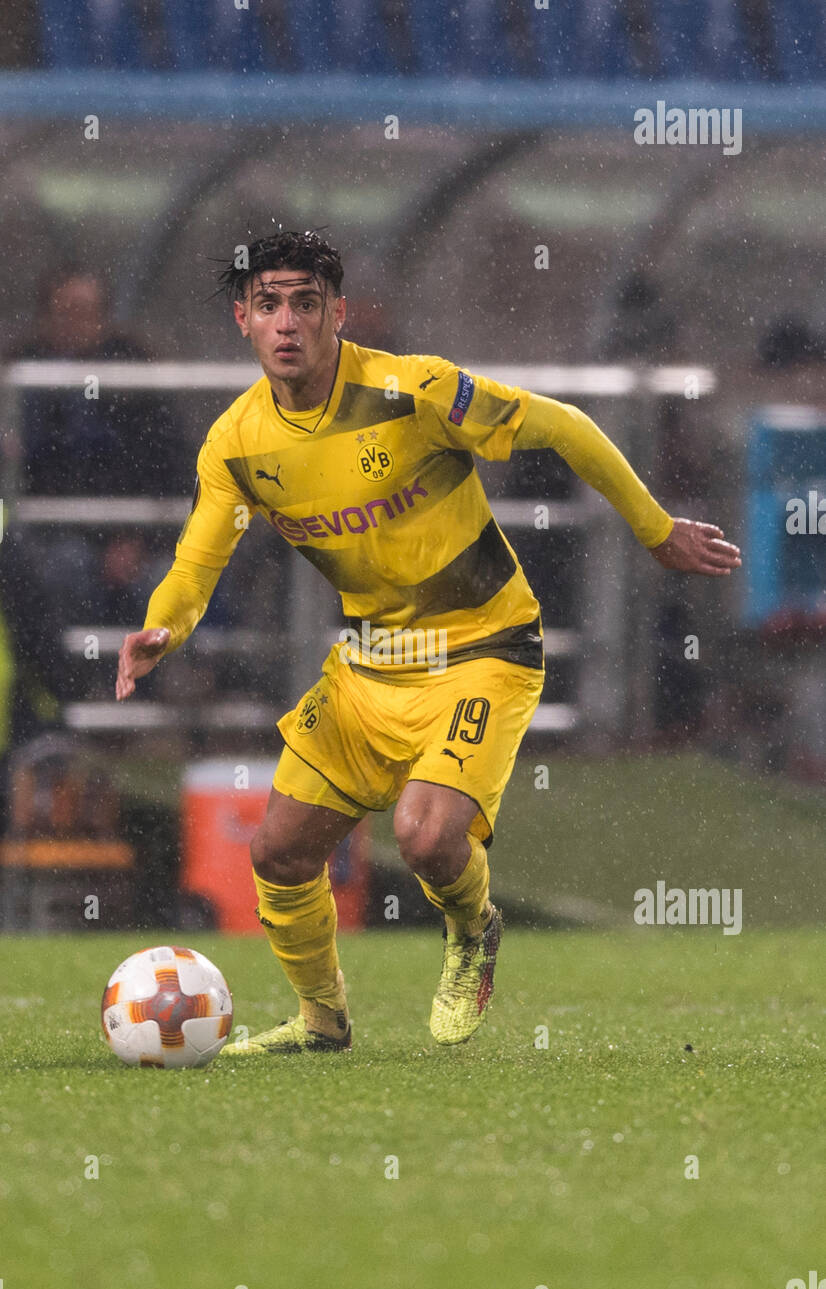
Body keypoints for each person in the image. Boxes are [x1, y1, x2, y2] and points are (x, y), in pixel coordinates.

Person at [115, 229, 741, 1055]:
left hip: (485, 648)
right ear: (244, 320)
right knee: (278, 851)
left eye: (307, 303)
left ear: (337, 312)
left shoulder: (416, 392)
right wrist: (166, 626)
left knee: (425, 834)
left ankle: (474, 928)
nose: (288, 322)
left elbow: (564, 425)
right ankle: (321, 1020)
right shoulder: (237, 444)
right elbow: (198, 560)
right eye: (269, 305)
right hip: (370, 667)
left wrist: (655, 530)